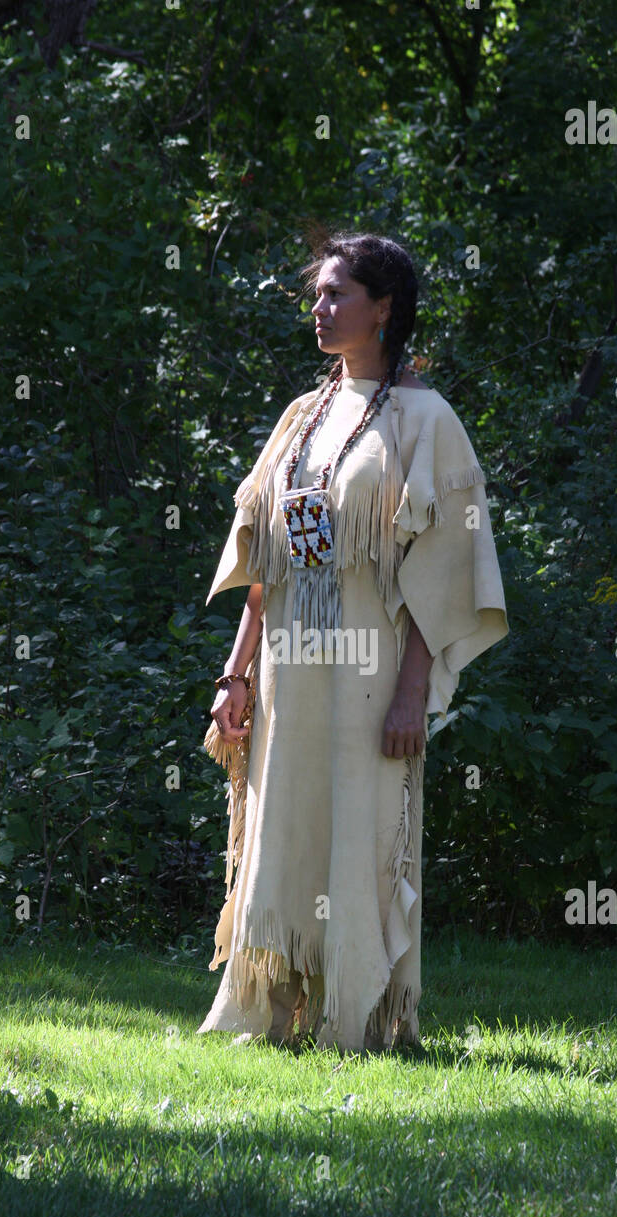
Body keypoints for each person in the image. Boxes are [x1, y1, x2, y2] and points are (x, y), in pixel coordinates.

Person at [198, 229, 508, 1055]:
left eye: (338, 294)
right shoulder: (301, 419)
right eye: (318, 293)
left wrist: (414, 691)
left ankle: (360, 1017)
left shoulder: (424, 420)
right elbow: (269, 558)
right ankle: (273, 1008)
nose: (320, 307)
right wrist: (235, 677)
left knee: (361, 829)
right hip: (289, 673)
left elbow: (442, 575)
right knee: (285, 825)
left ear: (384, 309)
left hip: (373, 674)